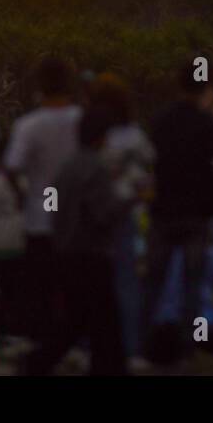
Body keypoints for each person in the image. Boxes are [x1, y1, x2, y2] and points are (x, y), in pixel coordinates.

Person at [27, 106, 130, 375]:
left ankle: (39, 362)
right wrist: (130, 200)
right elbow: (103, 214)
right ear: (100, 137)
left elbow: (55, 210)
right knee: (104, 321)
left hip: (66, 252)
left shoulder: (67, 168)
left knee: (77, 319)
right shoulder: (96, 169)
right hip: (91, 255)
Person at [141, 62, 213, 361]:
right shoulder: (206, 123)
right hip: (196, 213)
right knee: (194, 281)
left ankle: (144, 344)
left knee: (154, 279)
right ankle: (186, 350)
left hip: (164, 211)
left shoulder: (160, 120)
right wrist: (208, 110)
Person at [2, 56, 82, 348]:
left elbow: (11, 167)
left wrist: (23, 195)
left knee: (40, 284)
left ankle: (41, 341)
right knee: (72, 287)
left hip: (39, 217)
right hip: (74, 219)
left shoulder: (29, 125)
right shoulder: (82, 120)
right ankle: (71, 341)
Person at [89, 73, 154, 365]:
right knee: (126, 282)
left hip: (93, 214)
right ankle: (131, 348)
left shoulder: (91, 133)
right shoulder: (134, 134)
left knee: (91, 284)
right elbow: (150, 166)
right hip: (125, 212)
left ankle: (90, 346)